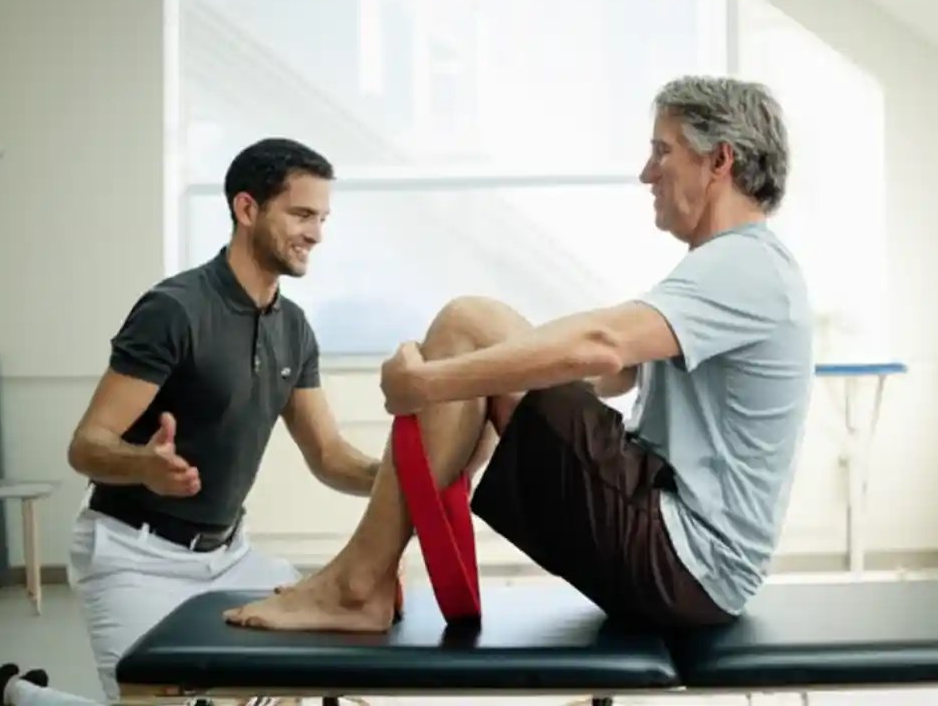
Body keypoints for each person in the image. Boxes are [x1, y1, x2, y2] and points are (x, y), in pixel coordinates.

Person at [222, 75, 814, 634]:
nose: (646, 173)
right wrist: (479, 398)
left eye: (663, 151)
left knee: (469, 321)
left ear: (720, 160)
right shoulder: (733, 266)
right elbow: (614, 377)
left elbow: (602, 347)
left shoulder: (746, 265)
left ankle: (356, 584)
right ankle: (361, 579)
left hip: (683, 562)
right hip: (679, 557)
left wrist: (431, 384)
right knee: (482, 335)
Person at [0, 137, 383, 706]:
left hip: (230, 555)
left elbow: (328, 455)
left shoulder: (293, 327)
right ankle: (20, 700)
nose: (316, 233)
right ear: (247, 210)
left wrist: (399, 475)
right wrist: (143, 464)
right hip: (134, 557)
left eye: (321, 218)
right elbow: (86, 445)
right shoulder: (175, 310)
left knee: (322, 682)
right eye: (300, 214)